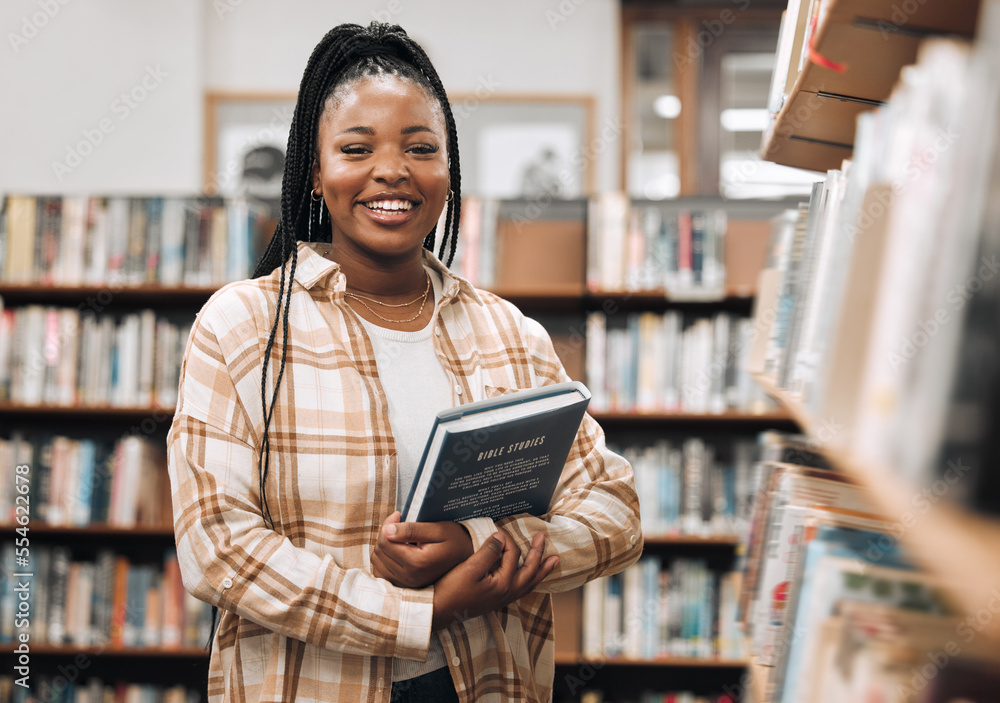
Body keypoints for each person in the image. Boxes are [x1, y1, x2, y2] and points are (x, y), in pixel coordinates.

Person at [167, 21, 642, 703]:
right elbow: (220, 550)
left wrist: (478, 542)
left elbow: (615, 513)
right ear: (315, 171)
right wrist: (422, 611)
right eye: (357, 148)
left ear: (448, 171)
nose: (392, 170)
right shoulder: (241, 327)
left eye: (421, 148)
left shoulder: (510, 334)